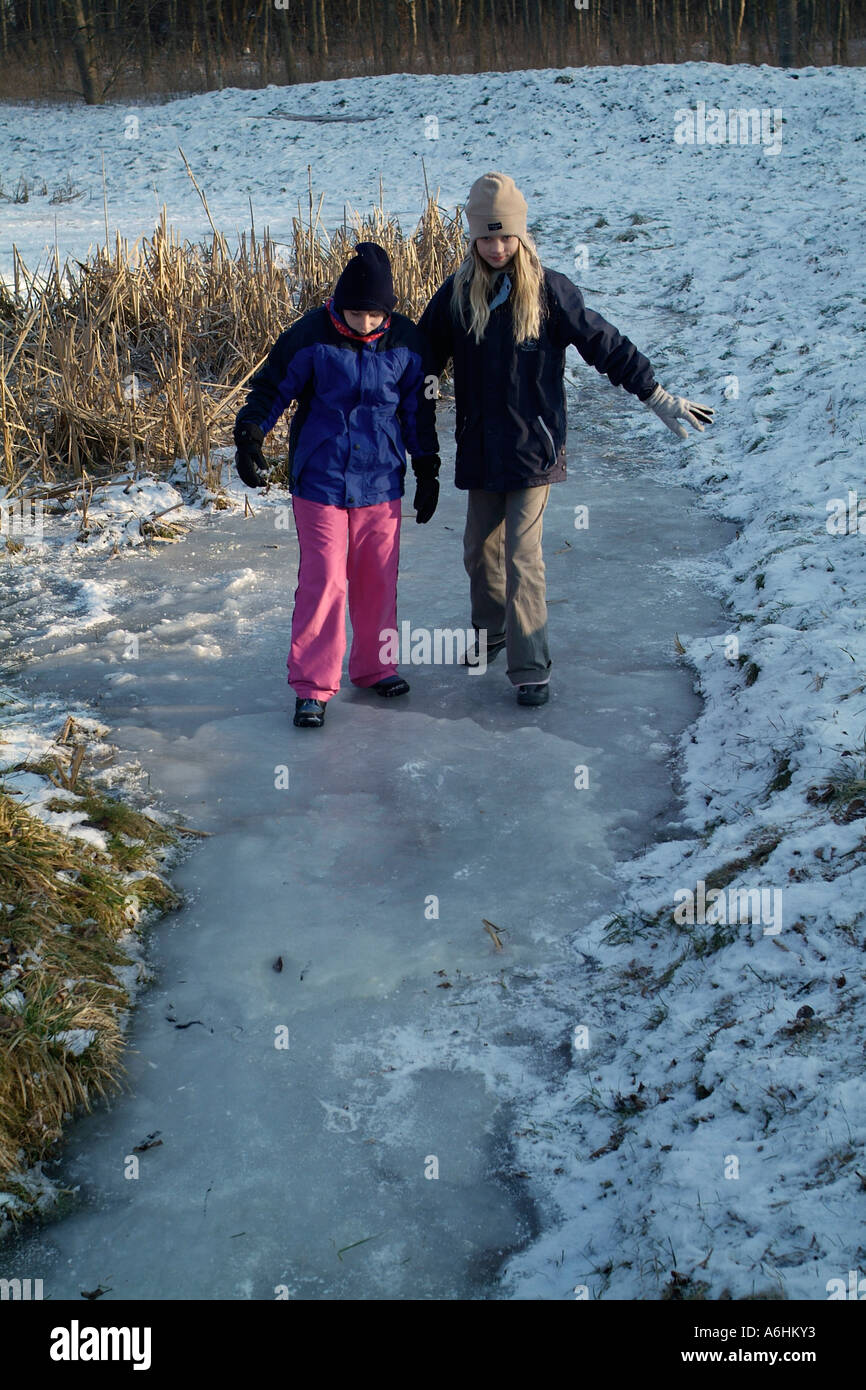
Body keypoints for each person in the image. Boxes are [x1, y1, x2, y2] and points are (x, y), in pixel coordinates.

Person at [418, 172, 713, 707]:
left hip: (535, 449)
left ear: (522, 235)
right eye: (486, 237)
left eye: (506, 236)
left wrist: (655, 394)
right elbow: (420, 359)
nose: (497, 247)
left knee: (522, 555)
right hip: (481, 448)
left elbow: (605, 344)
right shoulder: (458, 295)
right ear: (473, 239)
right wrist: (397, 408)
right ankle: (490, 634)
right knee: (480, 552)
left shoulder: (550, 291)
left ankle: (530, 667)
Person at [233, 241, 441, 728]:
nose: (362, 324)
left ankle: (375, 667)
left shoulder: (409, 344)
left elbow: (420, 411)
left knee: (377, 578)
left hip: (381, 483)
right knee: (325, 581)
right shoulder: (310, 335)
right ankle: (313, 686)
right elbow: (271, 387)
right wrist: (251, 433)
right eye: (353, 313)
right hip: (320, 480)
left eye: (373, 316)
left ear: (387, 310)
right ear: (337, 303)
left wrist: (427, 466)